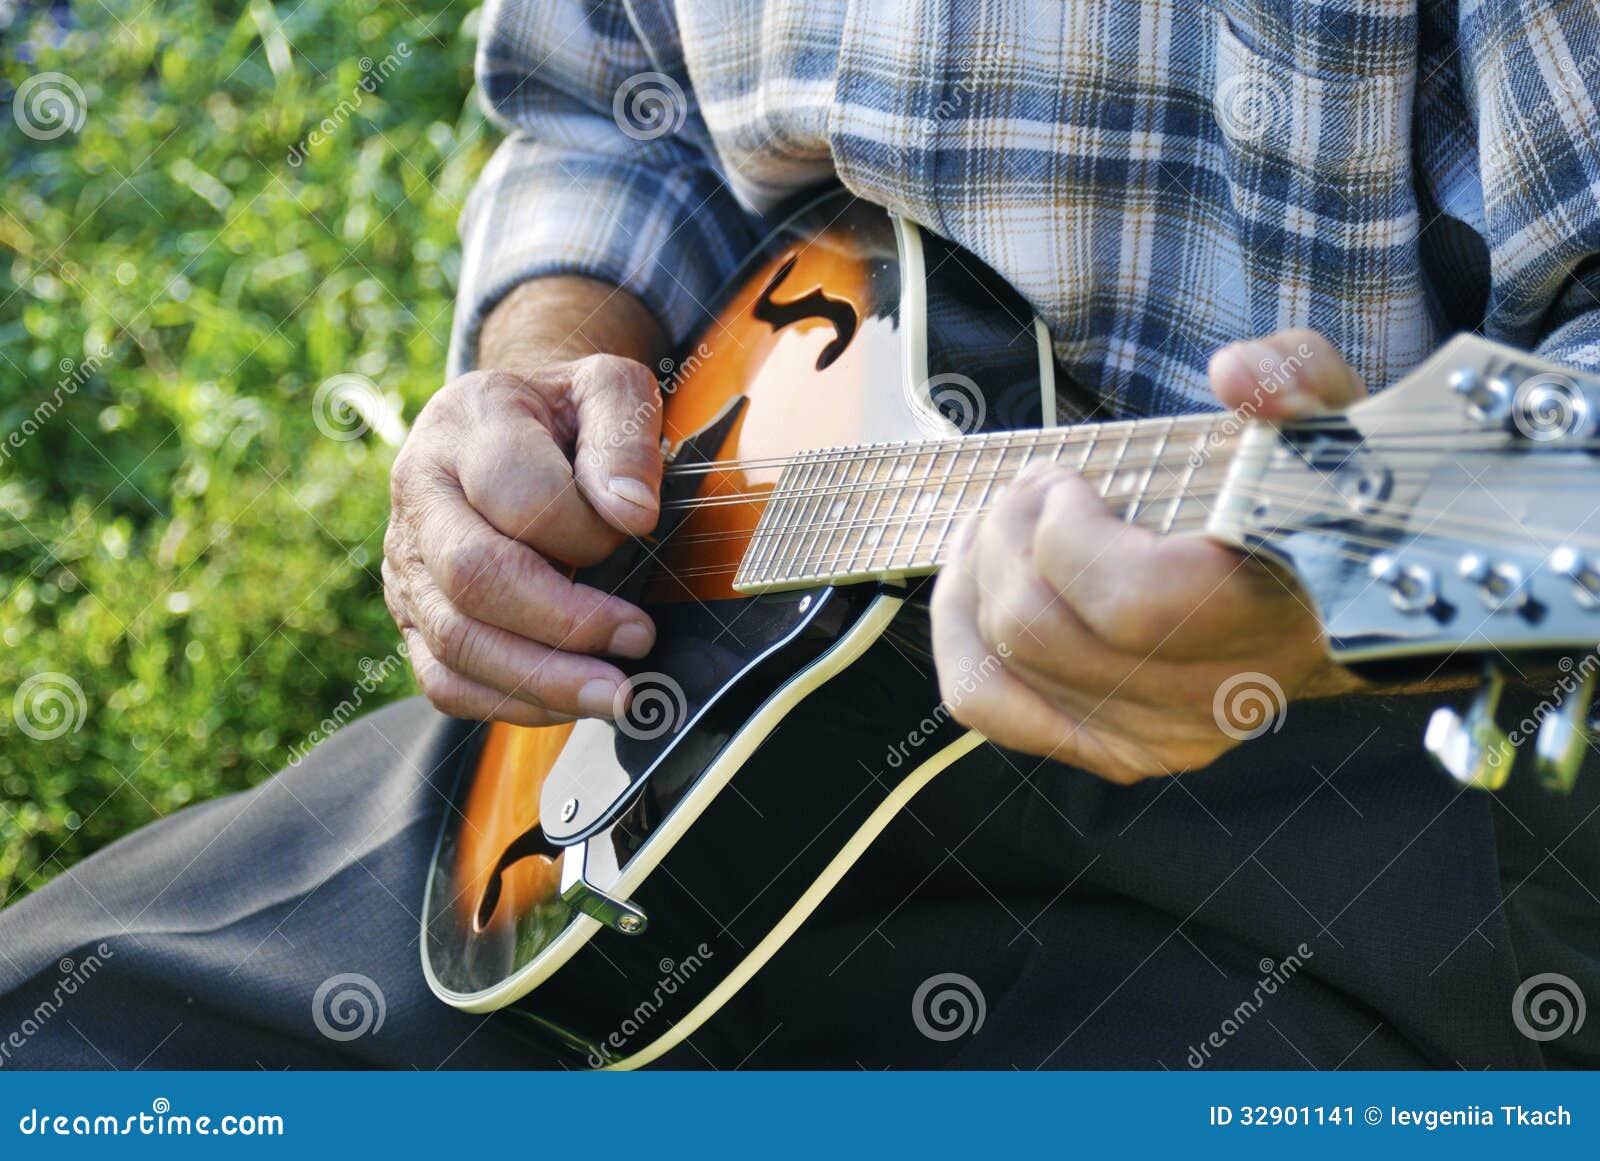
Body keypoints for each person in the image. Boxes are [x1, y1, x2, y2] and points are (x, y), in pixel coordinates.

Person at [2, 0, 1597, 1069]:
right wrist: (544, 375)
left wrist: (1335, 574)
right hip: (680, 667)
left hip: (1351, 770)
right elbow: (606, 109)